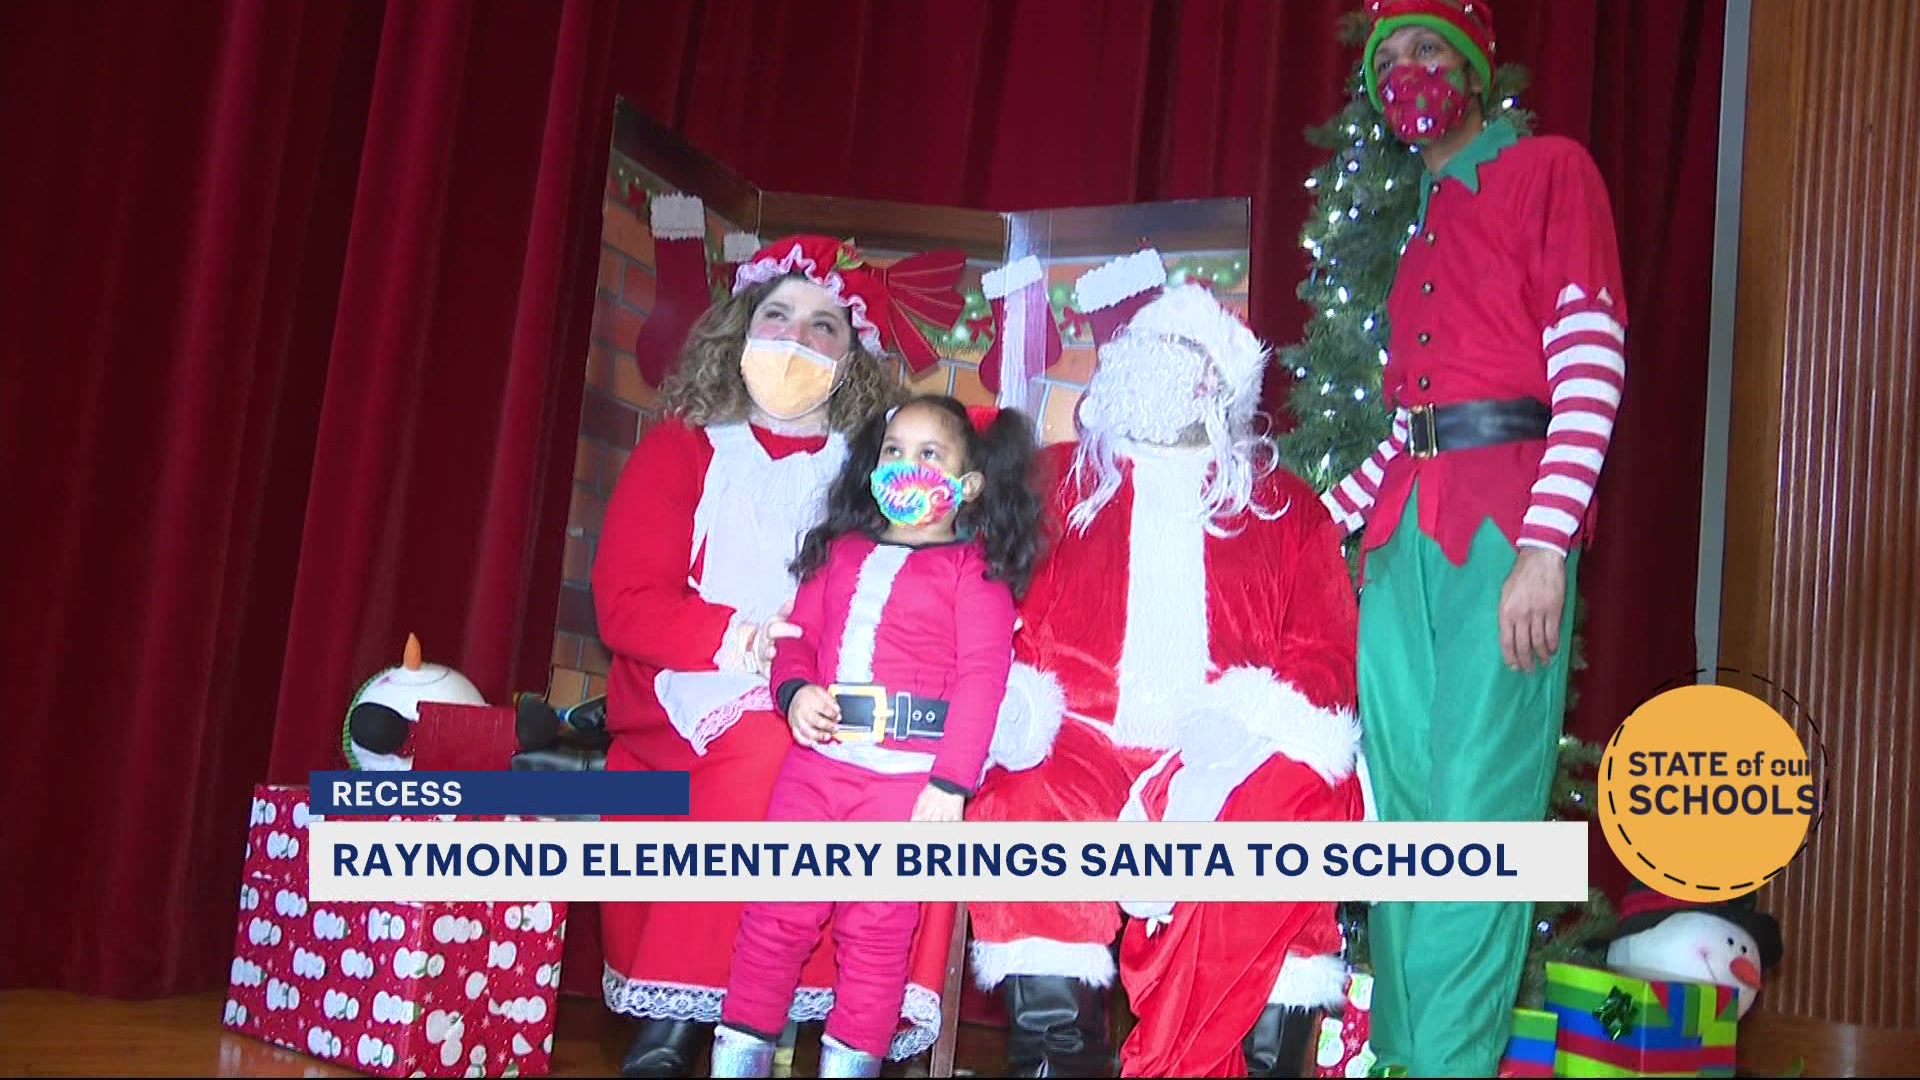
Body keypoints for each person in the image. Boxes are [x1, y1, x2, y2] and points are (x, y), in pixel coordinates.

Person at [1319, 2, 1631, 1076]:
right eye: (1387, 59)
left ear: (1472, 63)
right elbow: (1414, 425)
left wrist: (1545, 546)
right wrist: (1302, 524)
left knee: (1474, 824)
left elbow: (1589, 359)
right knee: (1401, 821)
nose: (1406, 72)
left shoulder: (1551, 171)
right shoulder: (1421, 221)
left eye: (1427, 48)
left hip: (1504, 531)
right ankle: (1406, 1057)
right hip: (1401, 535)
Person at [965, 254, 1367, 1078]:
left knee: (1289, 821)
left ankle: (1245, 1056)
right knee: (1022, 806)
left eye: (1184, 355)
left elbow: (1325, 649)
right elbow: (988, 596)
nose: (1158, 365)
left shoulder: (1284, 506)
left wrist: (1250, 728)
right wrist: (1016, 697)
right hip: (1076, 738)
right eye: (1146, 348)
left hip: (1223, 753)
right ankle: (1056, 1061)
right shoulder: (1055, 480)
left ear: (1221, 386)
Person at [593, 222, 968, 1077]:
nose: (796, 339)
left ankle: (853, 1025)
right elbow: (626, 603)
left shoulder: (871, 476)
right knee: (773, 749)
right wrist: (741, 643)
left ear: (851, 356)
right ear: (741, 329)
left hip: (834, 687)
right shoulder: (683, 448)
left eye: (823, 325)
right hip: (690, 689)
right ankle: (685, 1021)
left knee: (918, 780)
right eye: (778, 316)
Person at [707, 395, 1045, 1078]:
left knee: (877, 933)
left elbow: (983, 681)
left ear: (968, 484)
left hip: (908, 787)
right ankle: (737, 1064)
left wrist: (950, 784)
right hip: (817, 770)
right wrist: (794, 691)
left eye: (929, 454)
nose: (906, 465)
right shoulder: (840, 552)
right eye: (894, 451)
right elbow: (797, 639)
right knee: (774, 918)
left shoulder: (976, 573)